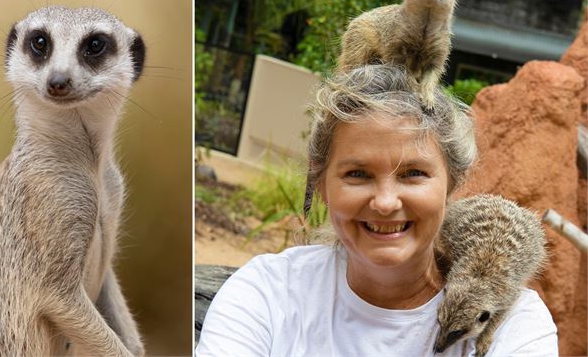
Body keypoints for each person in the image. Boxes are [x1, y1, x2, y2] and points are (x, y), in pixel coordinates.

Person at [195, 64, 557, 356]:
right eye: (357, 174)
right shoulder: (267, 293)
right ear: (321, 184)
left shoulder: (516, 324)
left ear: (452, 185)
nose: (385, 202)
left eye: (414, 174)